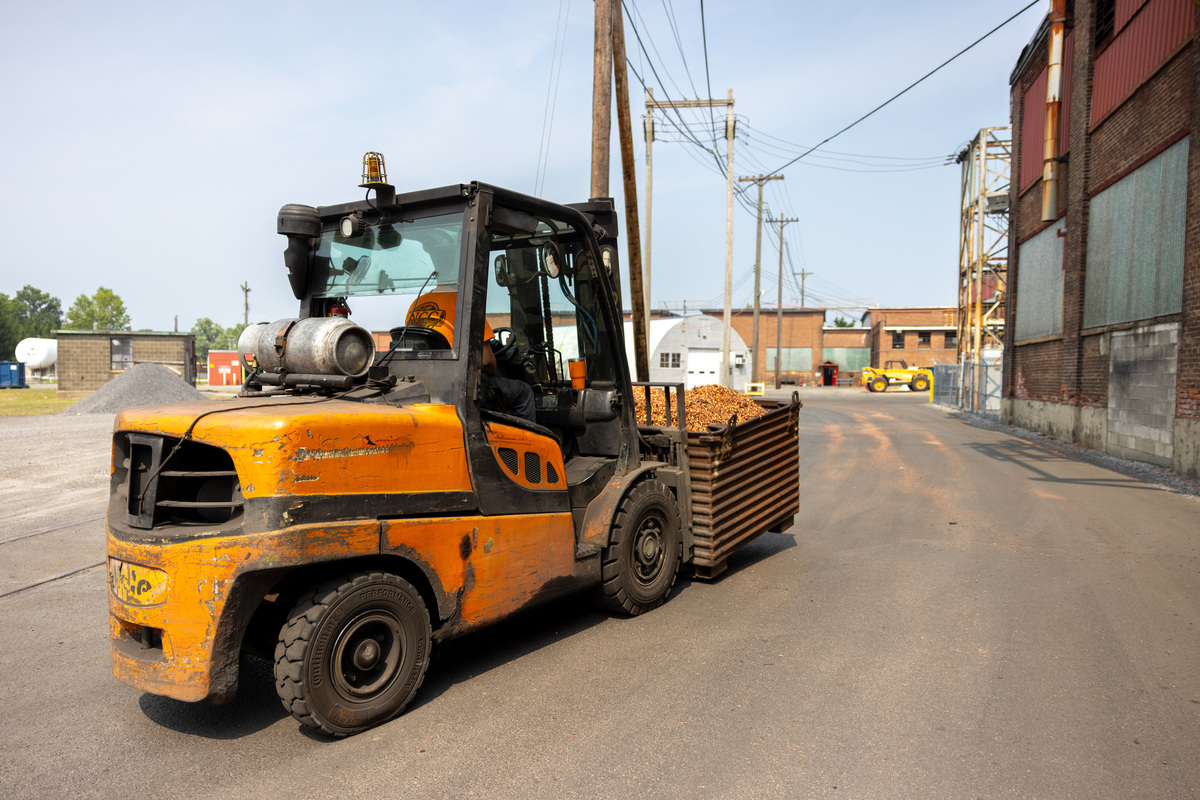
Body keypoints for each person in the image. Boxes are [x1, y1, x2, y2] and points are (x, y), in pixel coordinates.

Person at [405, 286, 536, 421]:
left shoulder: (416, 304)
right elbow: (486, 362)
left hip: (424, 381)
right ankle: (523, 439)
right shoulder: (465, 302)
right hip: (458, 383)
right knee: (523, 391)